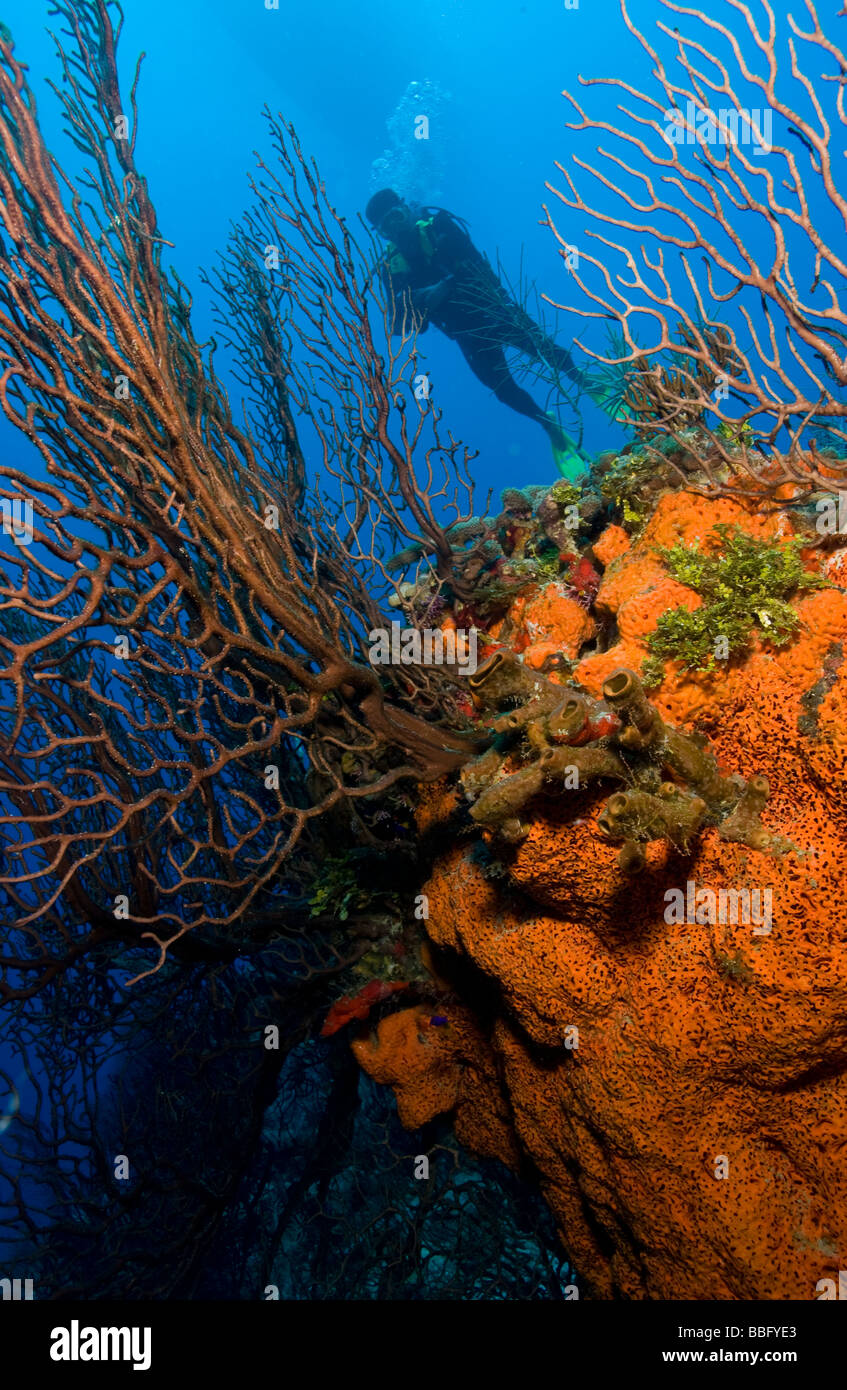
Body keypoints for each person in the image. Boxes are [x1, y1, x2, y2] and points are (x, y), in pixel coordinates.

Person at [365, 188, 590, 477]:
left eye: (396, 217)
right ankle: (549, 426)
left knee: (545, 350)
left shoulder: (438, 226)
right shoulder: (391, 266)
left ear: (406, 208)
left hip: (494, 309)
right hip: (465, 333)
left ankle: (586, 382)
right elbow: (403, 324)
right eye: (386, 227)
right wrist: (418, 301)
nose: (395, 229)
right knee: (503, 390)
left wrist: (442, 288)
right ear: (380, 234)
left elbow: (478, 266)